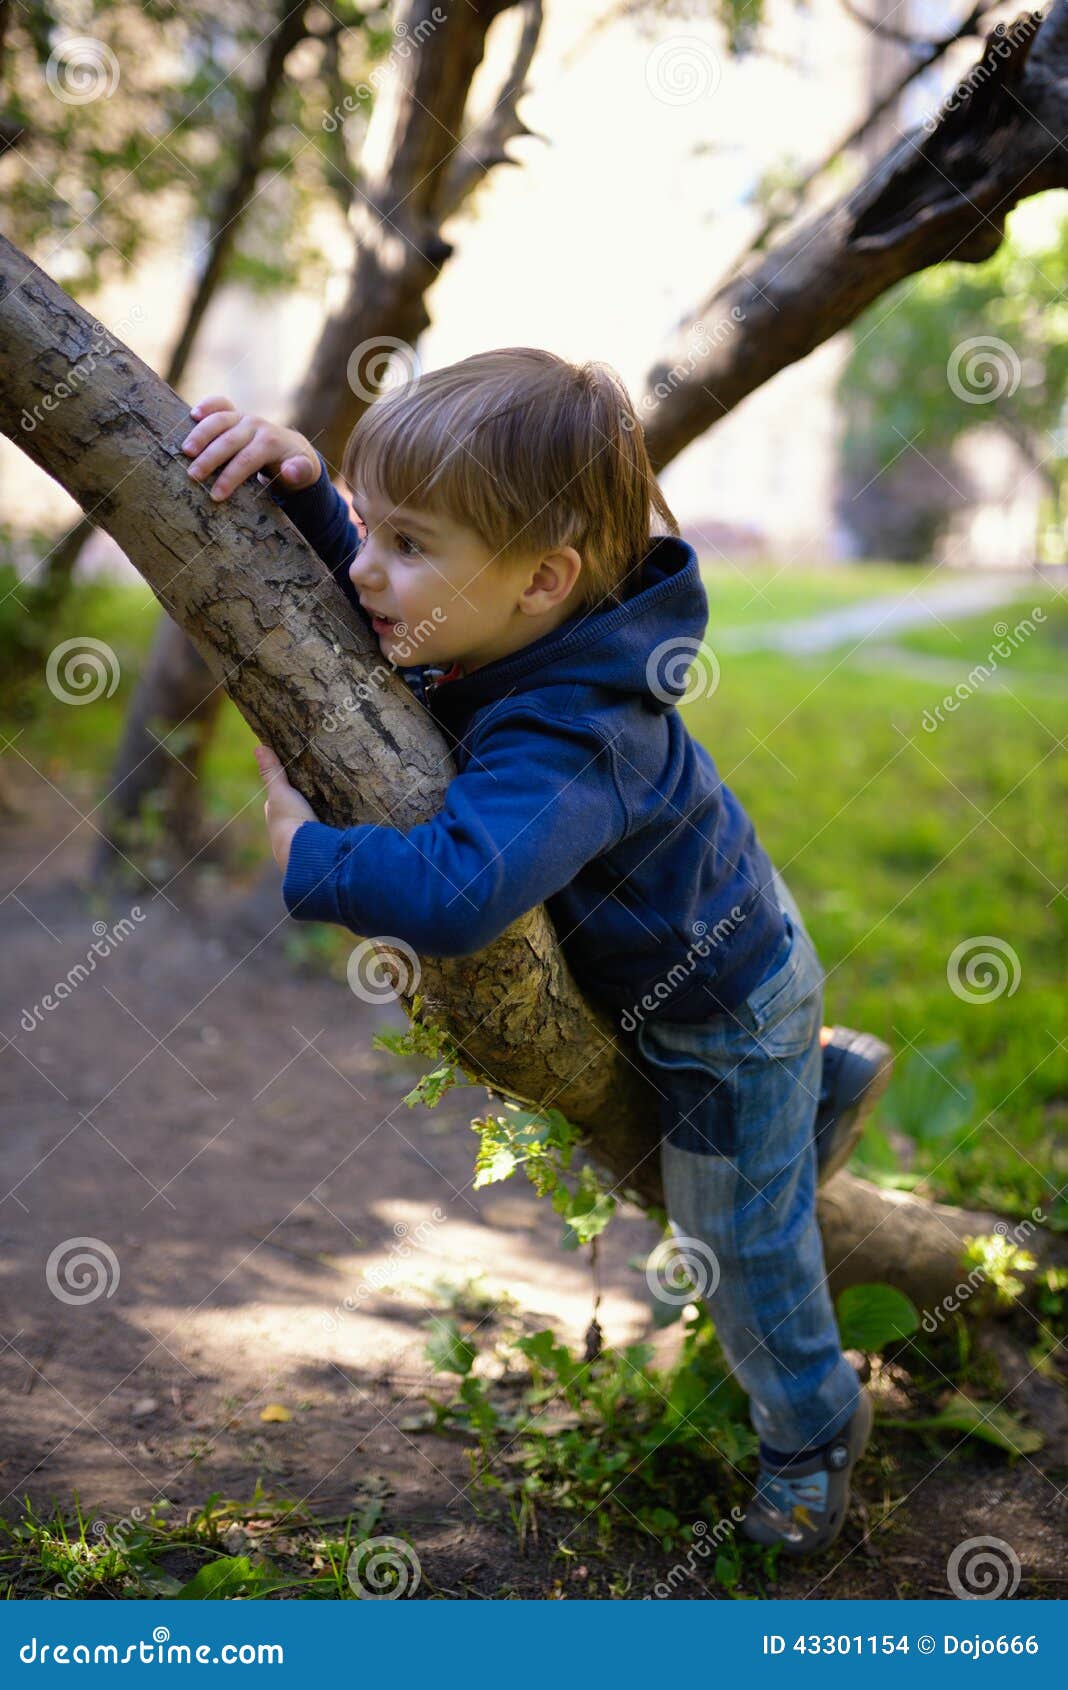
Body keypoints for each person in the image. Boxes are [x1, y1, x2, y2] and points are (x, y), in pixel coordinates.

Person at [181, 347, 892, 1555]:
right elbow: (391, 583)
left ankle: (814, 1428)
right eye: (366, 522)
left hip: (721, 1015)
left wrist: (310, 854)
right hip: (734, 935)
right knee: (728, 1181)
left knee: (736, 1243)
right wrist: (302, 491)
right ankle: (819, 1087)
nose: (366, 567)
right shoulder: (517, 625)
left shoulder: (573, 728)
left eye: (403, 543)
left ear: (544, 580)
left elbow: (459, 889)